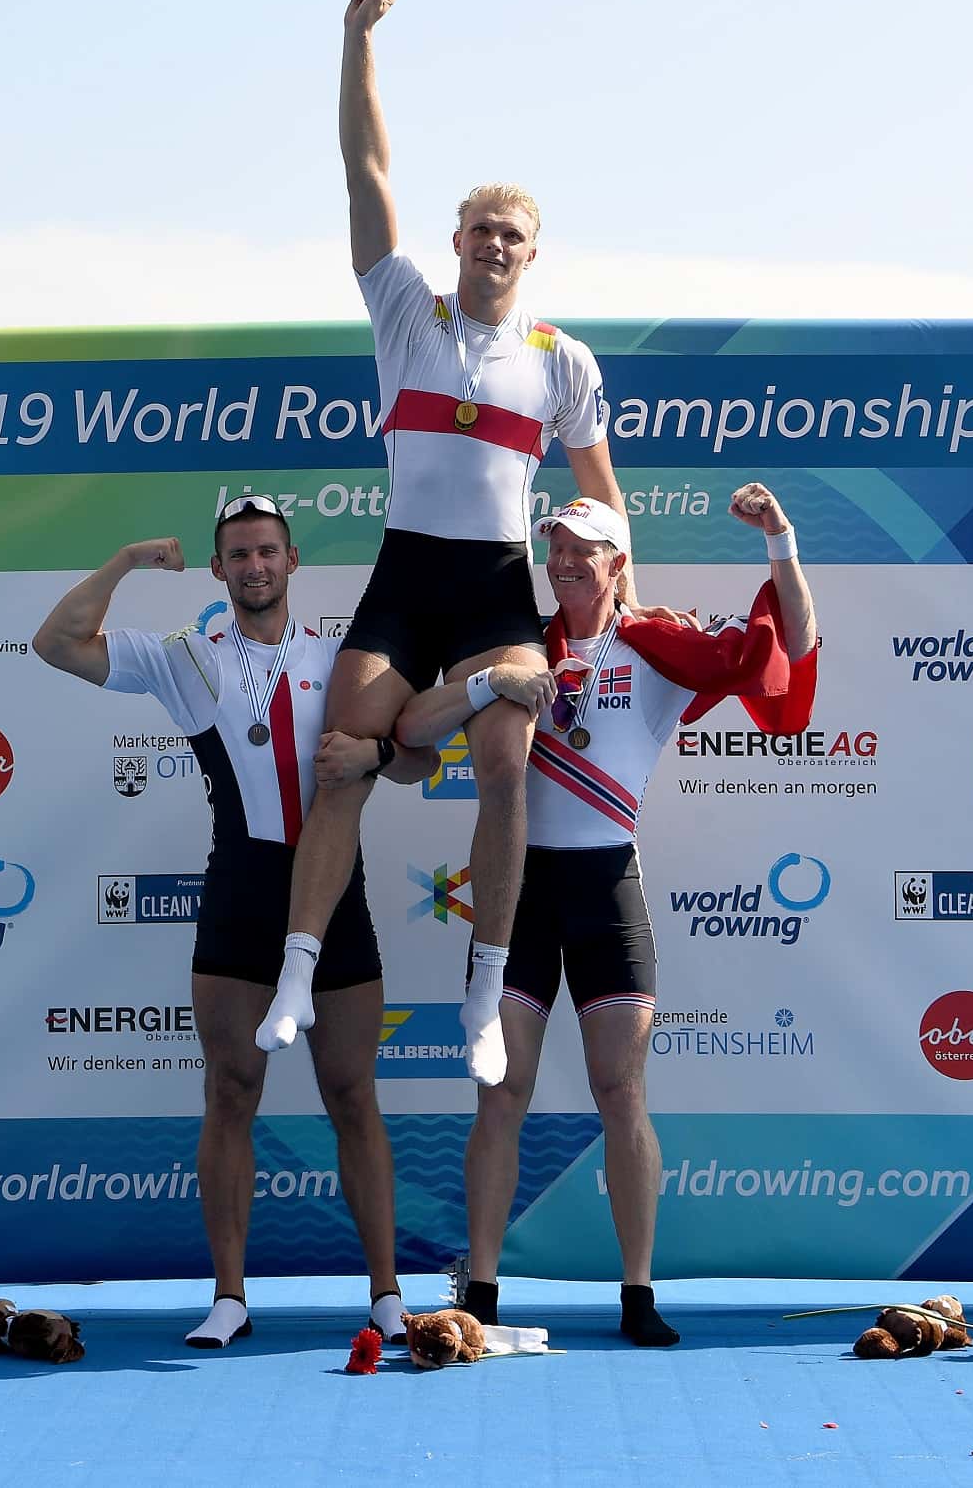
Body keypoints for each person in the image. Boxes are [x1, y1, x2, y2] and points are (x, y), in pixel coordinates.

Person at [258, 0, 659, 1090]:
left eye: (513, 233)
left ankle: (482, 993)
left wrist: (618, 598)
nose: (494, 242)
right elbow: (364, 164)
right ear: (457, 239)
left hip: (493, 589)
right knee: (344, 760)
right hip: (405, 577)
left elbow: (601, 493)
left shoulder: (562, 361)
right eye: (481, 227)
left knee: (503, 759)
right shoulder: (403, 310)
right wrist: (354, 39)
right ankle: (295, 973)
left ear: (534, 254)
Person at [381, 485, 819, 1346]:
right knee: (501, 1093)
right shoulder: (518, 646)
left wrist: (782, 542)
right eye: (558, 545)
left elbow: (787, 649)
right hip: (519, 894)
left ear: (618, 562)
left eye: (587, 546)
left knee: (622, 1091)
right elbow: (409, 726)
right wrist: (490, 685)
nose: (569, 558)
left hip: (608, 887)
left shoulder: (657, 642)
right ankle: (483, 1291)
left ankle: (638, 1293)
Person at [32, 495, 432, 1349]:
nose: (254, 566)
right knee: (230, 1092)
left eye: (268, 552)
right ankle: (228, 1295)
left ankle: (388, 1293)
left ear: (293, 563)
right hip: (239, 895)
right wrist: (125, 561)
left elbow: (425, 754)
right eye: (238, 554)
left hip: (337, 902)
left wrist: (378, 754)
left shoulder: (344, 659)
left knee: (353, 1096)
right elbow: (56, 644)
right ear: (219, 571)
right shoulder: (186, 657)